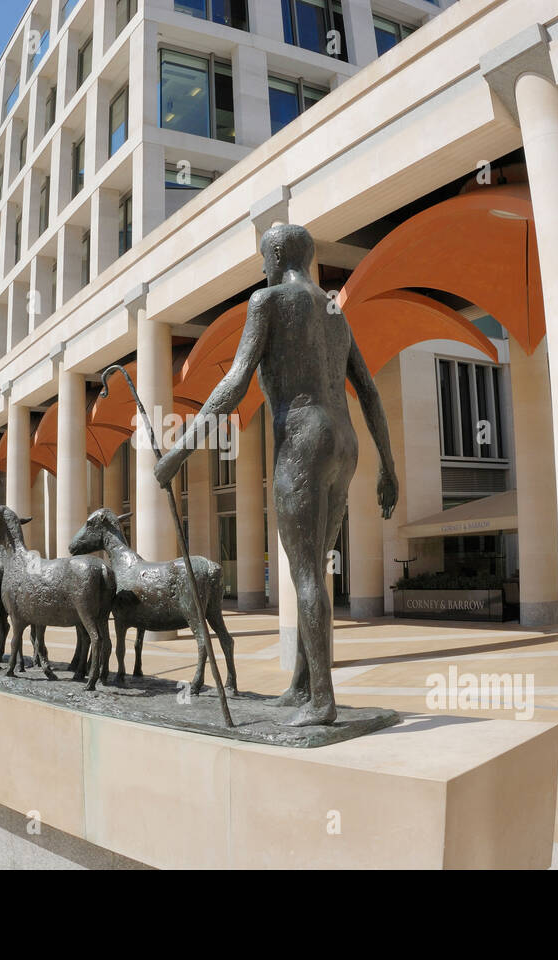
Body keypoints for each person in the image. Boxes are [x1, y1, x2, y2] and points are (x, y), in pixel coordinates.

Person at [155, 224, 398, 727]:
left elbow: (236, 380)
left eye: (263, 257)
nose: (261, 267)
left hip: (304, 439)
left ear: (277, 254)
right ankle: (304, 684)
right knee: (316, 571)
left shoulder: (267, 301)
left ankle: (322, 700)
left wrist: (178, 452)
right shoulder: (335, 312)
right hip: (345, 442)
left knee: (305, 572)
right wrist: (388, 466)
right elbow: (369, 393)